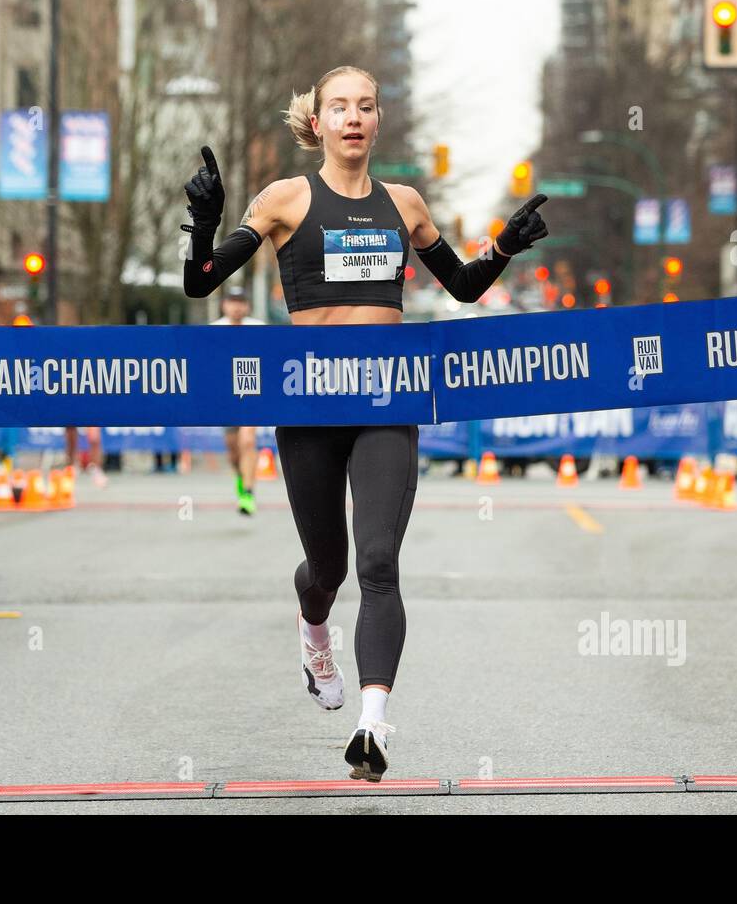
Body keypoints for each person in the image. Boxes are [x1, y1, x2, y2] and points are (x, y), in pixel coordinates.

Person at [181, 67, 547, 780]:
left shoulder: (405, 203)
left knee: (379, 564)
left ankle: (372, 727)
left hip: (386, 401)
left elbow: (464, 288)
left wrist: (502, 247)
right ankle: (314, 628)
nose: (353, 117)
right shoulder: (286, 198)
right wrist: (204, 220)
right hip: (309, 404)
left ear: (379, 122)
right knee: (329, 567)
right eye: (339, 107)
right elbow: (200, 282)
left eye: (366, 106)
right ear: (317, 123)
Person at [211, 286, 266, 515]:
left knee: (247, 442)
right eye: (232, 302)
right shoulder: (213, 330)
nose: (236, 306)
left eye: (241, 302)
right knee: (233, 451)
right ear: (224, 305)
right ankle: (241, 481)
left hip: (251, 394)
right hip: (226, 397)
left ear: (247, 305)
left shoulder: (260, 329)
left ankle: (249, 493)